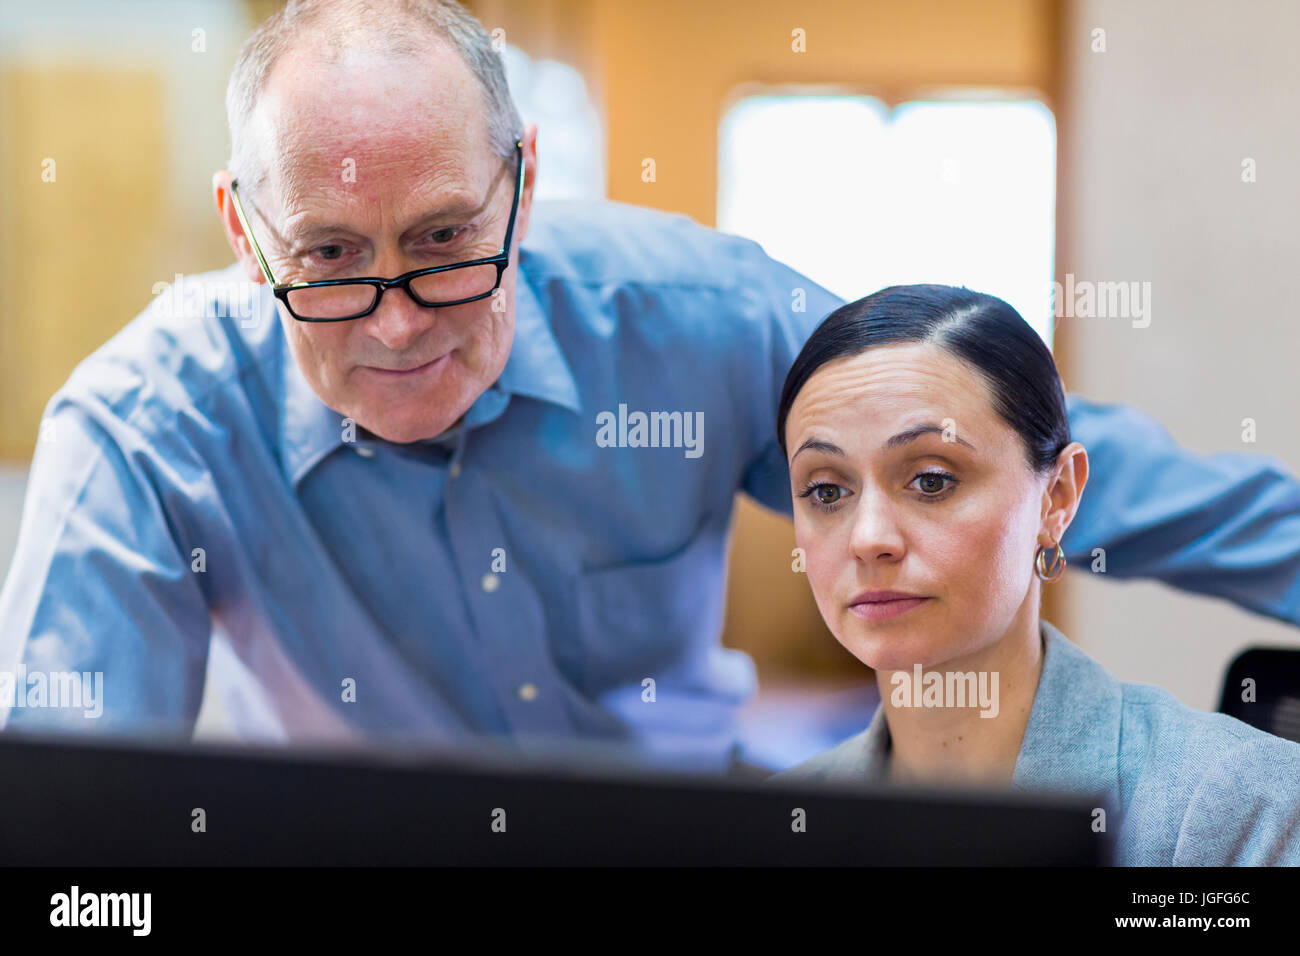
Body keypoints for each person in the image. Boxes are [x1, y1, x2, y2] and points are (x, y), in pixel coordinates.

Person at [1, 0, 1299, 774]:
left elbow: (1018, 453)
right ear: (243, 229)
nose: (397, 324)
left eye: (447, 242)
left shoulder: (694, 320)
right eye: (331, 260)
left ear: (524, 174)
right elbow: (74, 814)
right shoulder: (142, 428)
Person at [768, 284, 1300, 864]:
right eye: (826, 490)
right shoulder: (775, 826)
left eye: (931, 480)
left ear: (1057, 498)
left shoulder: (1232, 810)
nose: (869, 538)